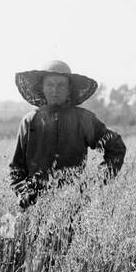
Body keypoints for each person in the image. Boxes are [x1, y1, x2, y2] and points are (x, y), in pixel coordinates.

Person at [8, 59, 127, 209]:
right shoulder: (30, 121)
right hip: (36, 206)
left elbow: (116, 147)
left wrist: (96, 182)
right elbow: (16, 168)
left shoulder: (83, 119)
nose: (55, 90)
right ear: (42, 88)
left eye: (61, 85)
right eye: (50, 84)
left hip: (73, 205)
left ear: (69, 89)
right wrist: (24, 193)